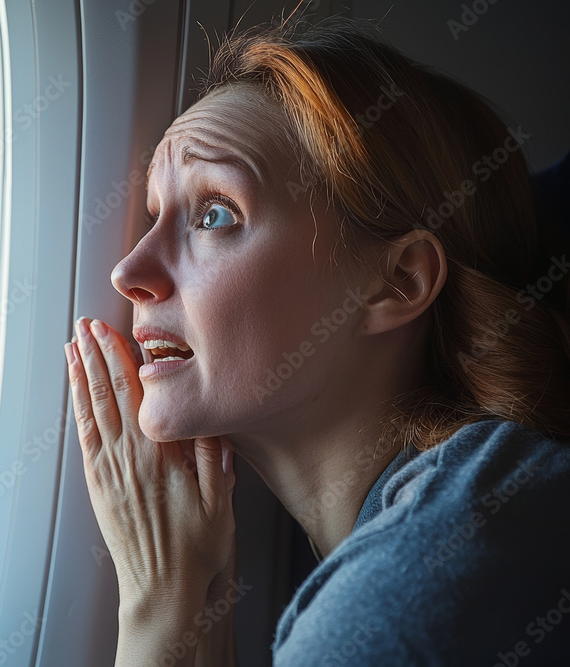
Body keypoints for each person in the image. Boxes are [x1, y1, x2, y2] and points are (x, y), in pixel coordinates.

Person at [64, 19, 570, 667]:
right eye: (154, 216)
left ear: (397, 282)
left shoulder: (389, 611)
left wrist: (154, 605)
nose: (128, 271)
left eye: (214, 215)